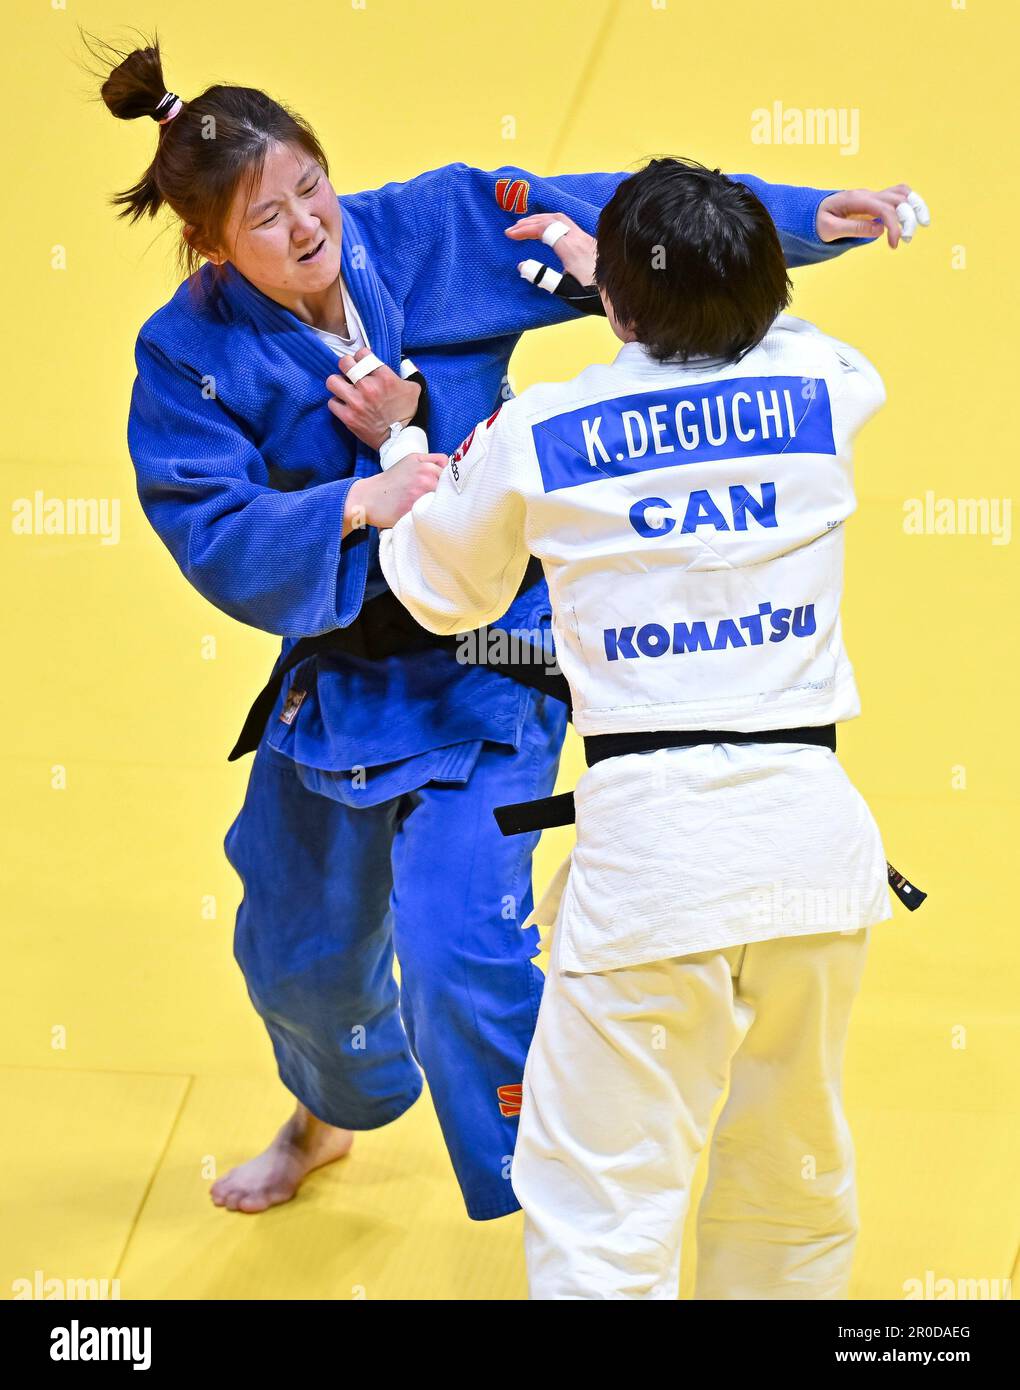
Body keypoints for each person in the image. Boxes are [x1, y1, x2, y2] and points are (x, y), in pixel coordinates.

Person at [94, 31, 920, 1223]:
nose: (307, 224)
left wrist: (805, 216)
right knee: (296, 961)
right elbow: (208, 525)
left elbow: (631, 225)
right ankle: (326, 1114)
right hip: (339, 675)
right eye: (265, 219)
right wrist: (354, 499)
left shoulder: (436, 227)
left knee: (457, 951)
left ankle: (562, 1194)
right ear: (211, 244)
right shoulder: (186, 353)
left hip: (495, 661)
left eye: (311, 186)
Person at [378, 156, 916, 1296]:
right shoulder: (834, 381)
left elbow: (444, 589)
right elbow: (741, 332)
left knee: (601, 1217)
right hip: (814, 866)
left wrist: (399, 451)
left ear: (616, 305)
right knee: (791, 1185)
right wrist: (615, 281)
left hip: (652, 874)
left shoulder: (540, 432)